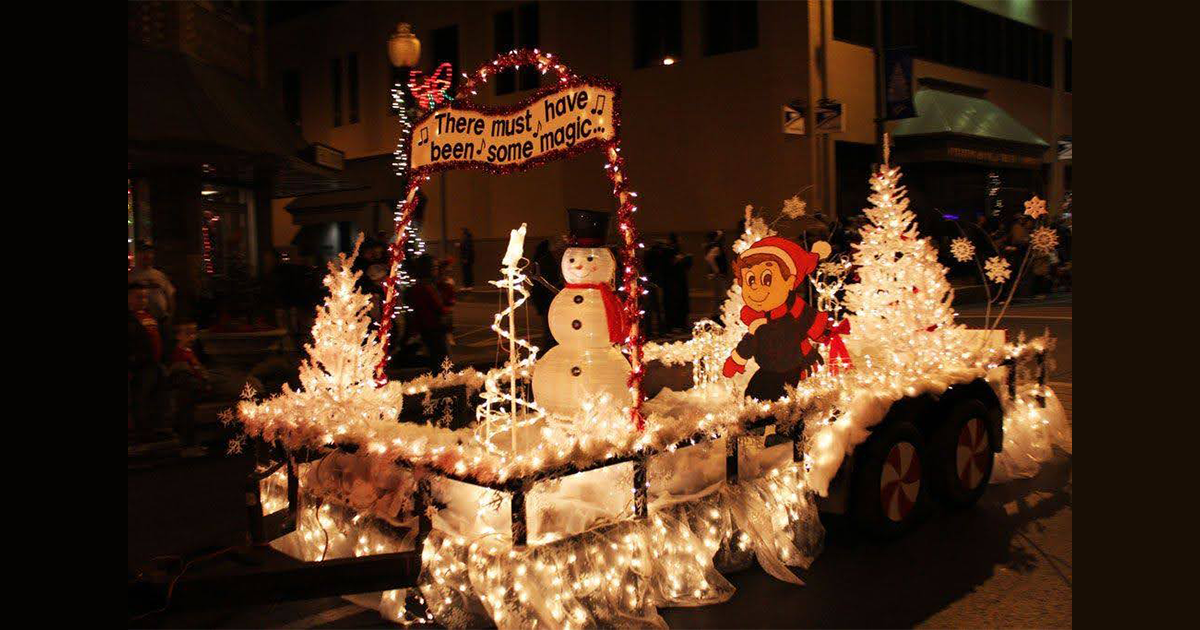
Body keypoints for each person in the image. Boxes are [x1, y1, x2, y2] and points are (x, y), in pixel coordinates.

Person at [721, 237, 833, 401]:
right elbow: (749, 343)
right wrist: (736, 359)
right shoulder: (758, 321)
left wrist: (821, 338)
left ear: (789, 281)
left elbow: (811, 324)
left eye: (767, 279)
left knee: (780, 399)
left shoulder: (795, 312)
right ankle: (763, 422)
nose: (756, 288)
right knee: (752, 395)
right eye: (750, 280)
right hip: (767, 369)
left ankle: (782, 423)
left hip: (790, 368)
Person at [129, 281, 171, 442]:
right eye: (138, 297)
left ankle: (159, 426)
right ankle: (143, 430)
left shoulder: (149, 317)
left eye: (145, 297)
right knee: (143, 394)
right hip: (140, 364)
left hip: (155, 362)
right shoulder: (131, 320)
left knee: (160, 391)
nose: (143, 301)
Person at [404, 254, 451, 369]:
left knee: (436, 359)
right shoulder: (426, 287)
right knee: (440, 360)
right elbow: (440, 307)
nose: (437, 270)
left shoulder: (420, 286)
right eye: (434, 267)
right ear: (427, 269)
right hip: (433, 327)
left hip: (426, 327)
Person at [129, 240, 177, 322]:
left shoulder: (160, 275)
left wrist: (170, 316)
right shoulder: (130, 276)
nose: (147, 255)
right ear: (137, 254)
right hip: (139, 322)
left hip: (161, 320)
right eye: (143, 252)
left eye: (150, 252)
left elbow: (170, 295)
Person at [530, 239, 561, 350]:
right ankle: (548, 351)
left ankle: (548, 350)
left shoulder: (542, 260)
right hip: (549, 299)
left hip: (546, 300)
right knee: (551, 331)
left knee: (550, 330)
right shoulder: (547, 261)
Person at [665, 233, 692, 333]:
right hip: (674, 282)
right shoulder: (670, 251)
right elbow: (670, 265)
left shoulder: (677, 250)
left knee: (680, 303)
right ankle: (677, 325)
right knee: (676, 303)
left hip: (679, 280)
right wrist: (680, 260)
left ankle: (681, 324)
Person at [703, 231, 730, 321]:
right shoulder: (717, 248)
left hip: (719, 276)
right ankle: (715, 316)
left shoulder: (717, 248)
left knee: (719, 296)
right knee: (720, 296)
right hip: (718, 276)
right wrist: (716, 271)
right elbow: (709, 258)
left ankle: (716, 315)